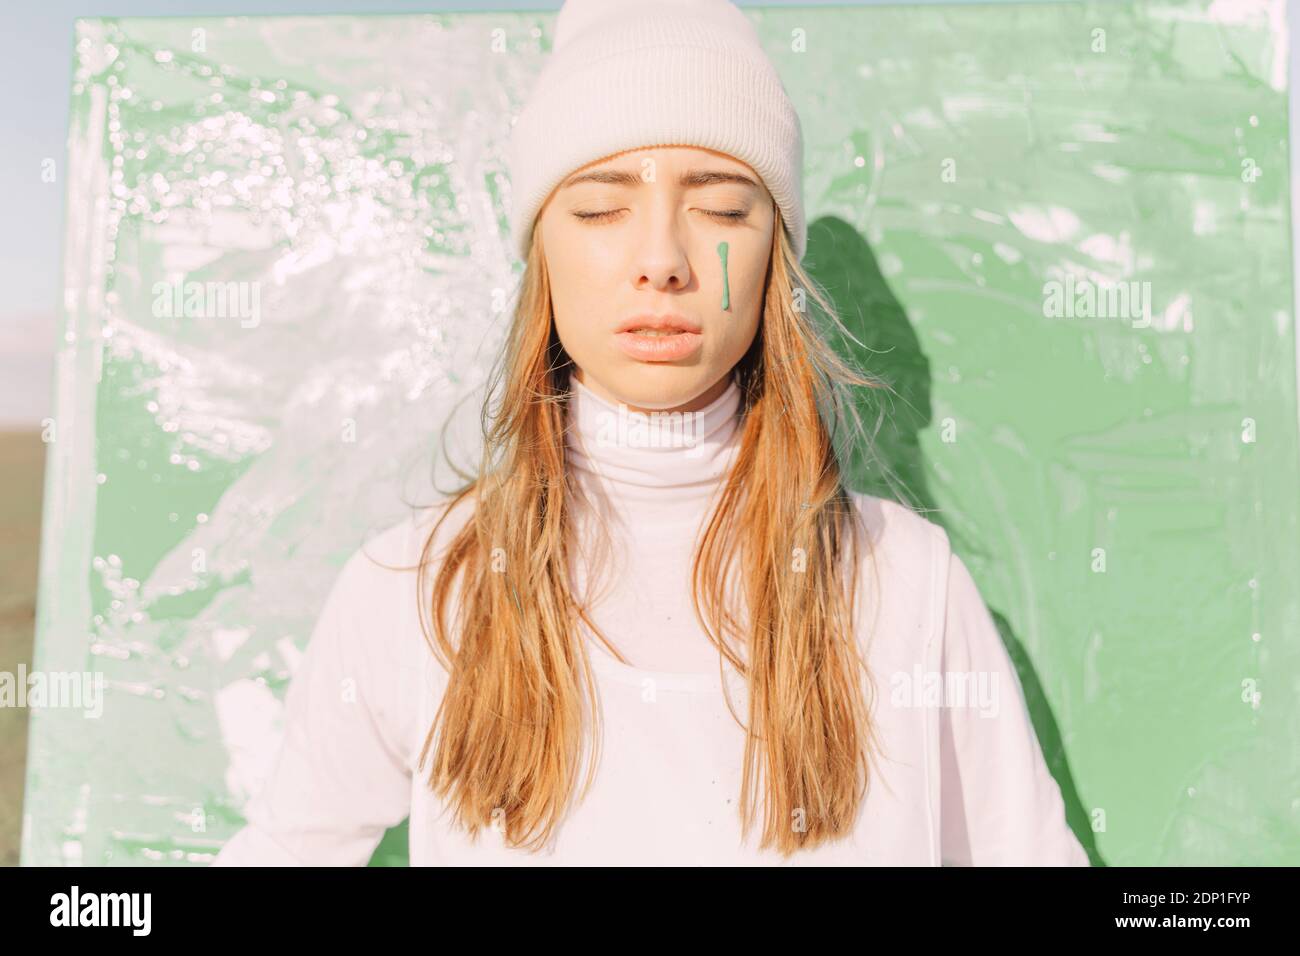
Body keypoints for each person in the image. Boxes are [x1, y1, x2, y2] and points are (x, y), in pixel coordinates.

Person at [213, 0, 1089, 866]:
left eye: (721, 210)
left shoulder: (907, 580)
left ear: (772, 256)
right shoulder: (416, 591)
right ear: (543, 252)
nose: (661, 258)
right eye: (600, 209)